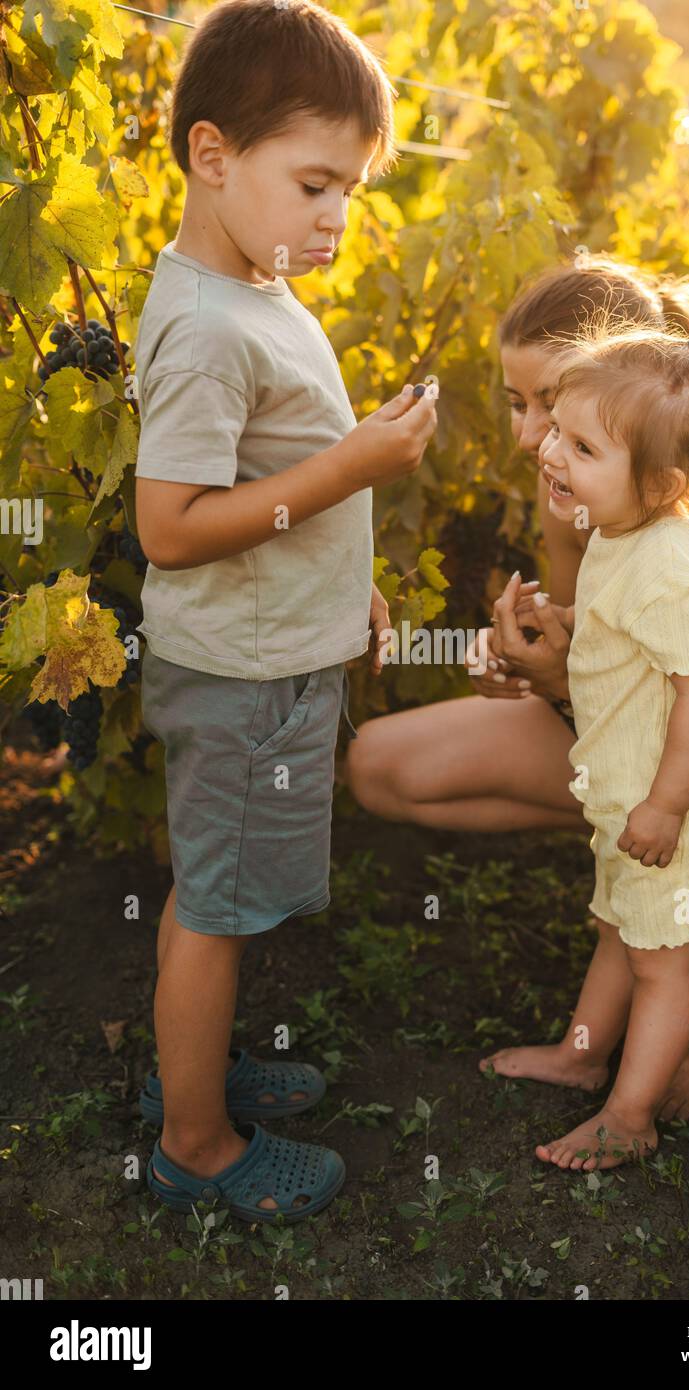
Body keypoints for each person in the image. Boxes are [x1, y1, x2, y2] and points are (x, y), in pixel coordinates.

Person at [346, 257, 689, 1120]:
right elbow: (601, 641)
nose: (529, 437)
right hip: (655, 725)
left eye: (548, 401)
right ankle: (634, 876)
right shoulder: (582, 464)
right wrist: (528, 657)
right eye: (518, 404)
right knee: (379, 767)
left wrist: (566, 683)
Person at [132, 0, 437, 1223]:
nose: (334, 216)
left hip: (263, 653)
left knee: (211, 888)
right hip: (242, 681)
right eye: (315, 182)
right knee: (214, 908)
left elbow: (267, 490)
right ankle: (197, 1142)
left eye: (351, 191)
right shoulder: (207, 331)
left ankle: (185, 1073)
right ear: (214, 156)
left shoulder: (249, 290)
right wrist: (353, 471)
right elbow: (173, 525)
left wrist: (335, 571)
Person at [498, 324, 689, 1168]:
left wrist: (664, 807)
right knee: (623, 933)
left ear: (658, 484)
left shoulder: (668, 564)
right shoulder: (626, 533)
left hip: (674, 806)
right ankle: (584, 1056)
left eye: (582, 446)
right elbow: (633, 635)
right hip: (634, 793)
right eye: (557, 430)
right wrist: (571, 624)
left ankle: (631, 1115)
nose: (552, 452)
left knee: (662, 963)